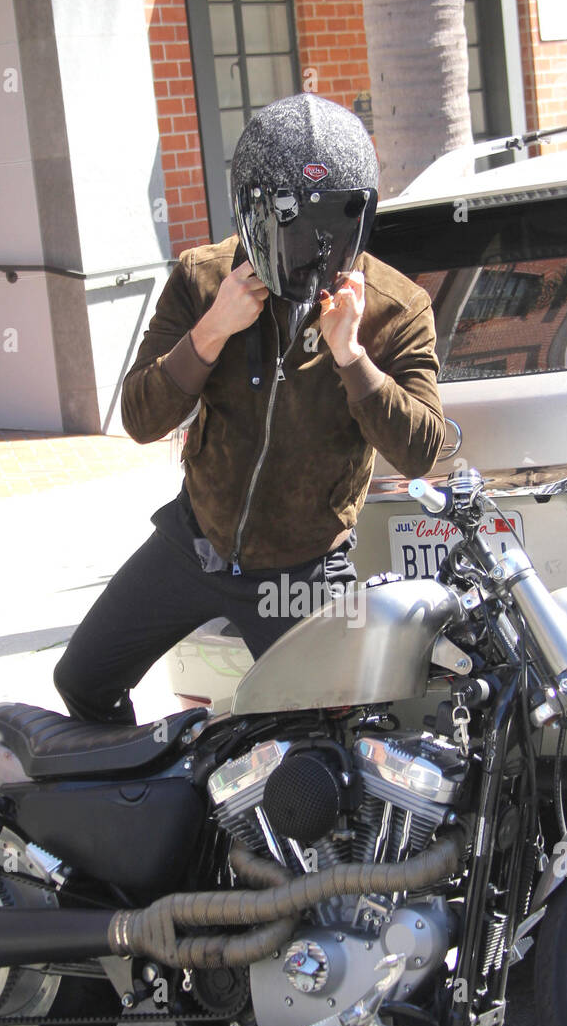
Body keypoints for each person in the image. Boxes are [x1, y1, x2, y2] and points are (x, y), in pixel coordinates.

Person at [53, 94, 446, 725]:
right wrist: (213, 330)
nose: (310, 245)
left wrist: (351, 355)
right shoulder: (203, 277)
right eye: (287, 218)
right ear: (253, 211)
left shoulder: (395, 308)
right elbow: (140, 416)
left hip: (301, 571)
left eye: (335, 220)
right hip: (196, 543)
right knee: (82, 680)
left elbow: (420, 449)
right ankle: (143, 810)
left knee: (335, 745)